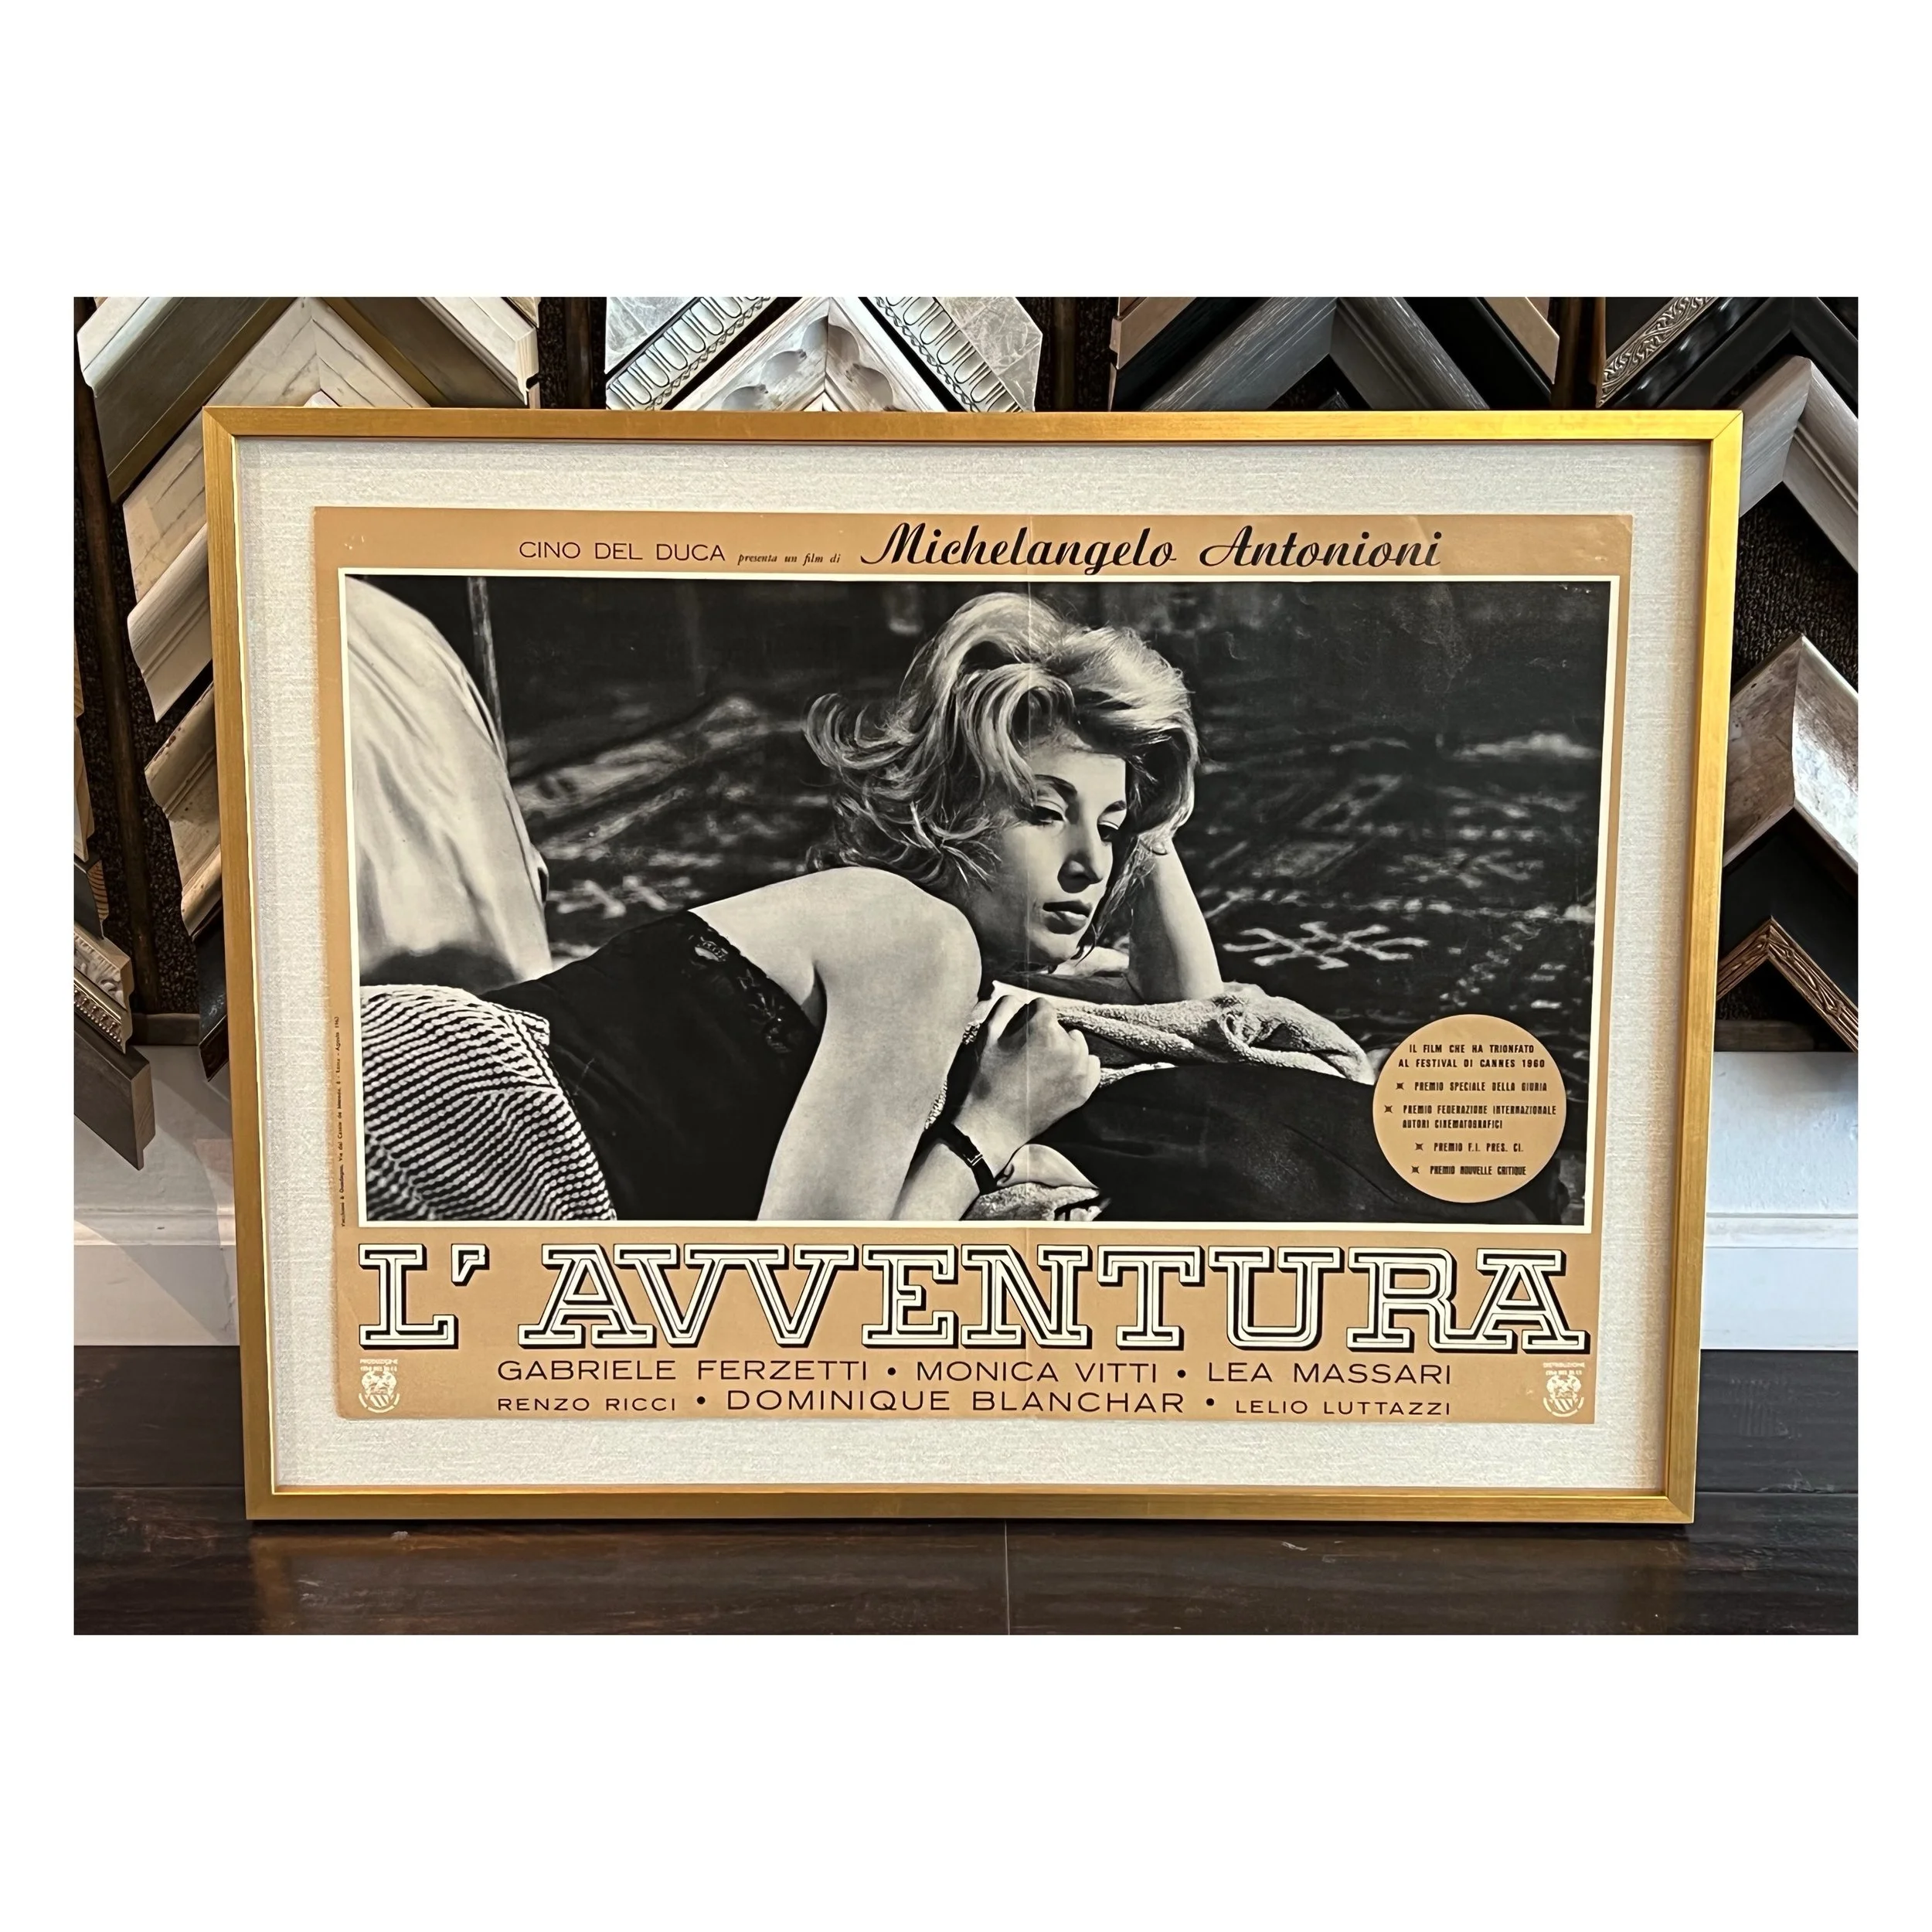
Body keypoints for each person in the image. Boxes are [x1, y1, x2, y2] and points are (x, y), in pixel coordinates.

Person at [360, 590, 1366, 1224]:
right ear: (954, 810)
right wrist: (991, 1127)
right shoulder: (914, 938)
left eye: (1106, 832)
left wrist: (1148, 823)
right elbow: (824, 1291)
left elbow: (1189, 1032)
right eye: (1041, 812)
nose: (1087, 867)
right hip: (444, 1120)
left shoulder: (949, 964)